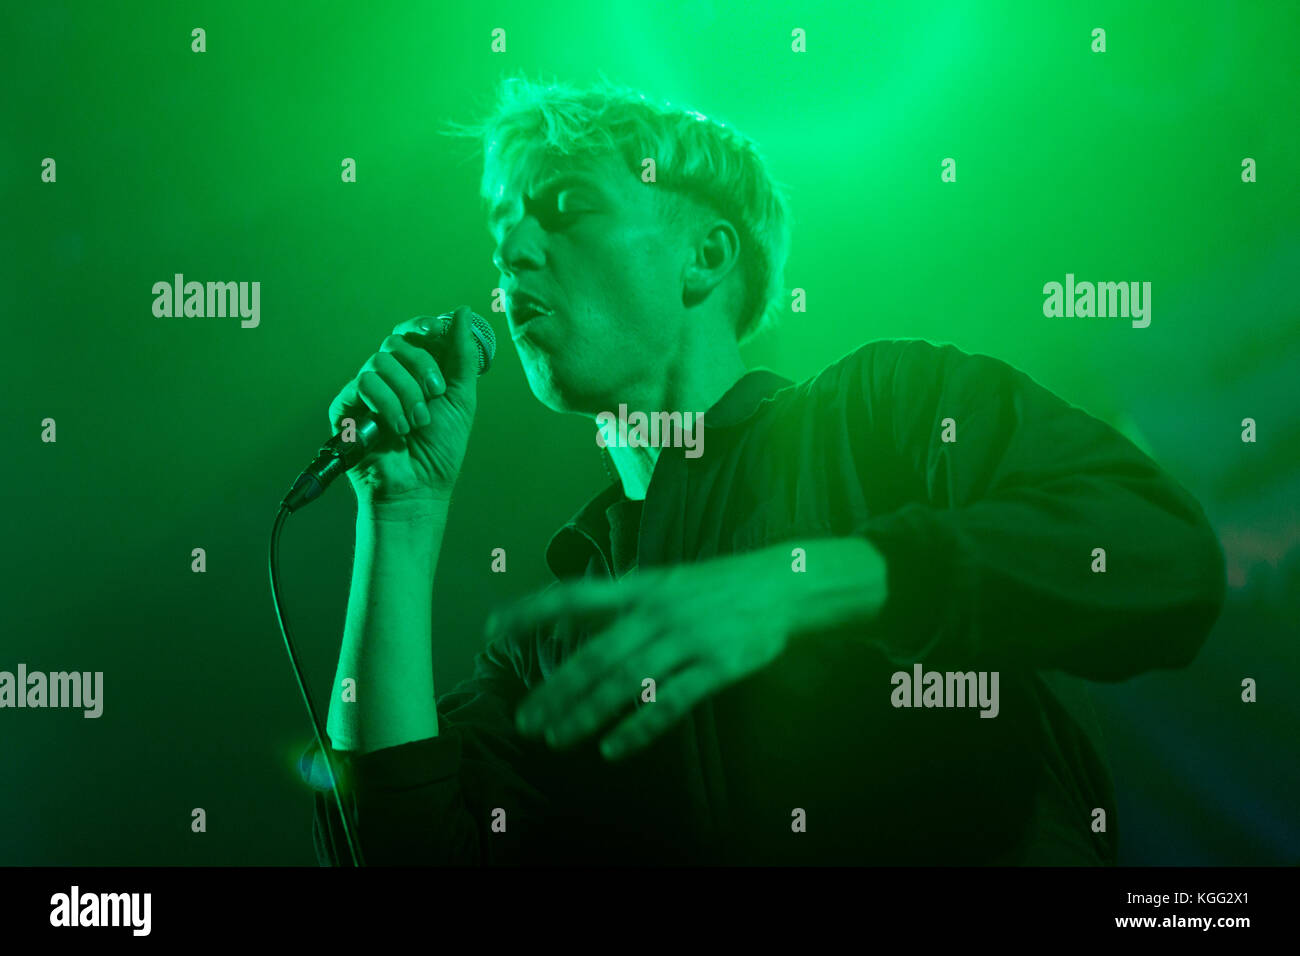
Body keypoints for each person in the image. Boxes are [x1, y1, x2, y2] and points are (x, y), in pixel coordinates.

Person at [298, 76, 1226, 865]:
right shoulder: (556, 634)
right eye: (503, 234)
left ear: (705, 255)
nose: (515, 254)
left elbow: (1163, 551)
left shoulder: (881, 410)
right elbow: (406, 850)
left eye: (566, 205)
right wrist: (401, 512)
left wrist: (808, 584)